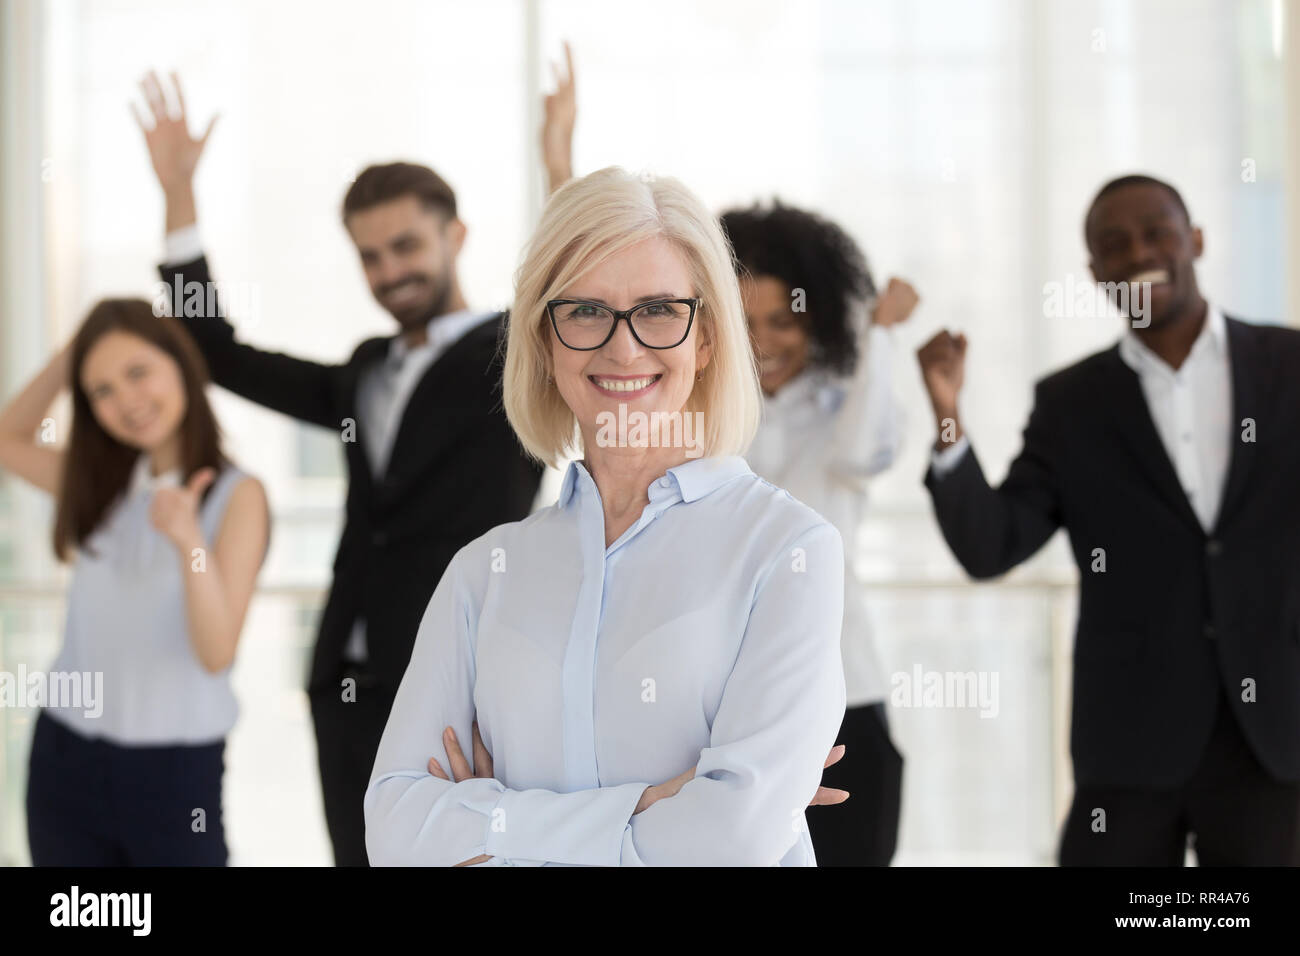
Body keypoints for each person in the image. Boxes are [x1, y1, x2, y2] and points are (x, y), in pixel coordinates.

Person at [365, 167, 848, 866]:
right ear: (545, 341)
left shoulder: (790, 550)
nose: (623, 348)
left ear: (706, 337)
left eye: (657, 309)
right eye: (586, 311)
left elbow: (734, 838)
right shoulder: (484, 573)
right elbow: (395, 829)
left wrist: (495, 821)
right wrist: (652, 803)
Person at [133, 71, 544, 866]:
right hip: (347, 687)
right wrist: (179, 196)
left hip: (462, 686)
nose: (389, 271)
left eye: (405, 247)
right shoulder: (364, 371)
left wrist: (558, 168)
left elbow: (576, 310)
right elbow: (216, 353)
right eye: (369, 256)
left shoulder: (515, 358)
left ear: (455, 237)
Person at [917, 174, 1300, 865]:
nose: (1138, 253)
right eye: (1113, 244)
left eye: (1157, 231)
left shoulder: (1289, 366)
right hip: (1129, 739)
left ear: (1197, 240)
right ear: (1095, 272)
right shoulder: (1071, 405)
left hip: (1274, 734)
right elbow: (992, 544)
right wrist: (949, 418)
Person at [0, 299, 269, 865]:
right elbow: (7, 439)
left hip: (173, 774)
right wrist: (70, 353)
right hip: (64, 759)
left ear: (179, 364)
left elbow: (216, 652)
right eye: (99, 390)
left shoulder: (237, 496)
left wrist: (187, 540)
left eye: (137, 372)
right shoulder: (98, 483)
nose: (125, 400)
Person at [720, 201, 916, 866]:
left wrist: (880, 334)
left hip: (844, 693)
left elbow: (865, 455)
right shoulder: (707, 415)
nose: (764, 342)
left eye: (783, 321)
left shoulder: (847, 398)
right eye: (744, 322)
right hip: (726, 703)